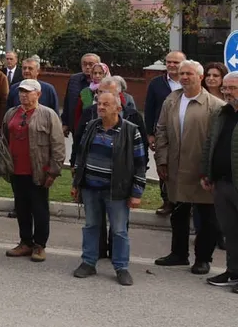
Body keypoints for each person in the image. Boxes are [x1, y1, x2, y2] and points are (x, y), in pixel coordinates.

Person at [155, 59, 225, 273]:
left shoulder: (215, 106)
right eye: (182, 73)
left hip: (201, 171)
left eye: (189, 74)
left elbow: (218, 142)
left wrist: (211, 171)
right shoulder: (172, 100)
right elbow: (162, 130)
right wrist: (162, 160)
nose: (184, 77)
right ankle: (178, 254)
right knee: (178, 214)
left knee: (206, 218)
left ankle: (203, 259)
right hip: (176, 168)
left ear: (200, 77)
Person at [70, 90, 145, 286]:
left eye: (105, 104)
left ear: (118, 108)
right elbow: (81, 154)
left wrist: (137, 192)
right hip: (90, 188)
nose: (100, 107)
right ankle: (88, 262)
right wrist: (76, 183)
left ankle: (121, 267)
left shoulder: (131, 131)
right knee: (91, 226)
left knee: (119, 230)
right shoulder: (91, 126)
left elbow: (139, 163)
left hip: (117, 190)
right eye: (99, 103)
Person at [1, 79, 65, 262]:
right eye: (21, 92)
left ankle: (39, 245)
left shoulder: (48, 114)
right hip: (16, 170)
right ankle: (25, 242)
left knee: (39, 208)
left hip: (38, 171)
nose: (23, 95)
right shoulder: (12, 113)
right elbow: (4, 138)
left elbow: (58, 144)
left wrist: (53, 171)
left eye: (28, 92)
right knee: (21, 208)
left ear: (38, 94)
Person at [203, 71, 238, 291]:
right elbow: (210, 143)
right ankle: (233, 271)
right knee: (230, 230)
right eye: (225, 88)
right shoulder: (222, 113)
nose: (226, 93)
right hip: (222, 183)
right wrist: (207, 173)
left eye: (232, 88)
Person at [145, 51, 184, 216]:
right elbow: (149, 109)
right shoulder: (156, 83)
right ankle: (167, 201)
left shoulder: (189, 80)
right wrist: (150, 134)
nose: (172, 65)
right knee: (163, 166)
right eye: (169, 62)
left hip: (185, 131)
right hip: (163, 133)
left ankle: (184, 203)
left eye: (176, 62)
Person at [64, 53, 101, 134]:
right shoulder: (74, 79)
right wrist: (65, 124)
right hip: (76, 125)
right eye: (84, 64)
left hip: (95, 127)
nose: (87, 67)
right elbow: (67, 102)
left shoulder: (104, 82)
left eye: (91, 64)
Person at [72, 62, 111, 134]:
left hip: (109, 130)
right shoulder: (85, 92)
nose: (97, 75)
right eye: (95, 73)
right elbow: (78, 114)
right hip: (88, 131)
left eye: (100, 73)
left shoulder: (112, 90)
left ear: (105, 74)